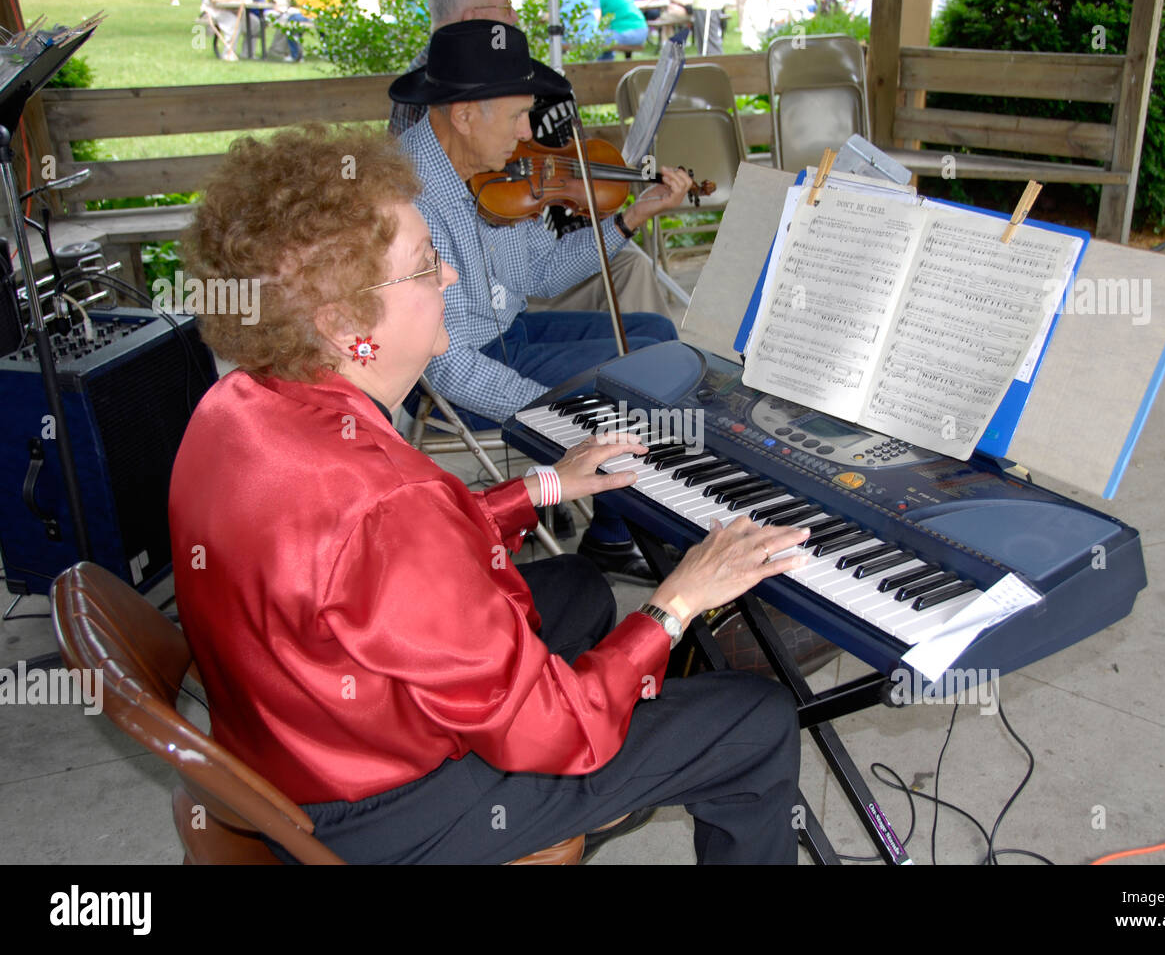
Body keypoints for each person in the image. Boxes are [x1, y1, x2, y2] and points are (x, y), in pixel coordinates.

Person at [170, 122, 811, 864]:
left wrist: (545, 485)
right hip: (393, 814)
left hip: (296, 740)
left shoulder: (236, 405)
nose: (449, 280)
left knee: (576, 585)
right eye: (425, 265)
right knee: (755, 718)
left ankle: (614, 762)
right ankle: (595, 778)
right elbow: (544, 716)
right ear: (346, 324)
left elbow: (365, 566)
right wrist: (677, 604)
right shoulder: (389, 504)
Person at [390, 20, 694, 581]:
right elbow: (451, 369)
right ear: (463, 114)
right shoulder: (408, 196)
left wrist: (630, 216)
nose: (528, 130)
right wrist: (565, 418)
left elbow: (545, 272)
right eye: (516, 116)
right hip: (464, 370)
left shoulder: (501, 168)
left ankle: (615, 526)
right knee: (636, 379)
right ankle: (618, 531)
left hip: (513, 332)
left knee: (655, 334)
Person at [388, 0, 671, 325]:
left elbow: (539, 266)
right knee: (632, 285)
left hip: (526, 255)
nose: (516, 15)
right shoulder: (437, 123)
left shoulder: (508, 73)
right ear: (475, 16)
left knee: (644, 304)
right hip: (492, 295)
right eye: (506, 7)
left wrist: (628, 217)